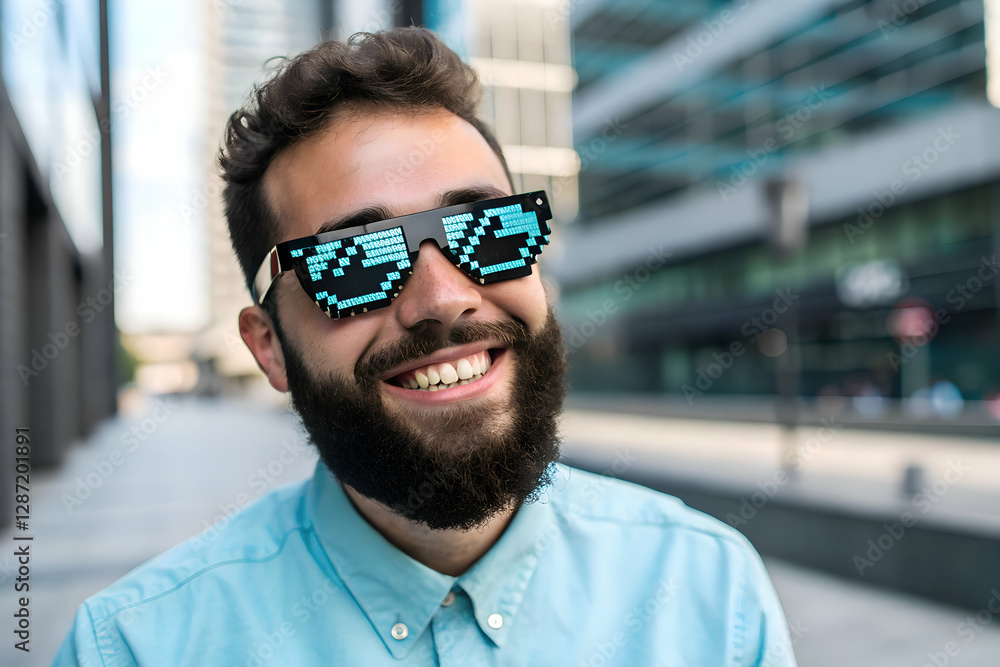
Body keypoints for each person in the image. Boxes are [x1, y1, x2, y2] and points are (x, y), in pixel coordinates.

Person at [55, 27, 796, 666]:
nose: (443, 298)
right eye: (358, 261)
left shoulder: (707, 591)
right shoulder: (135, 647)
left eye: (487, 231)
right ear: (268, 346)